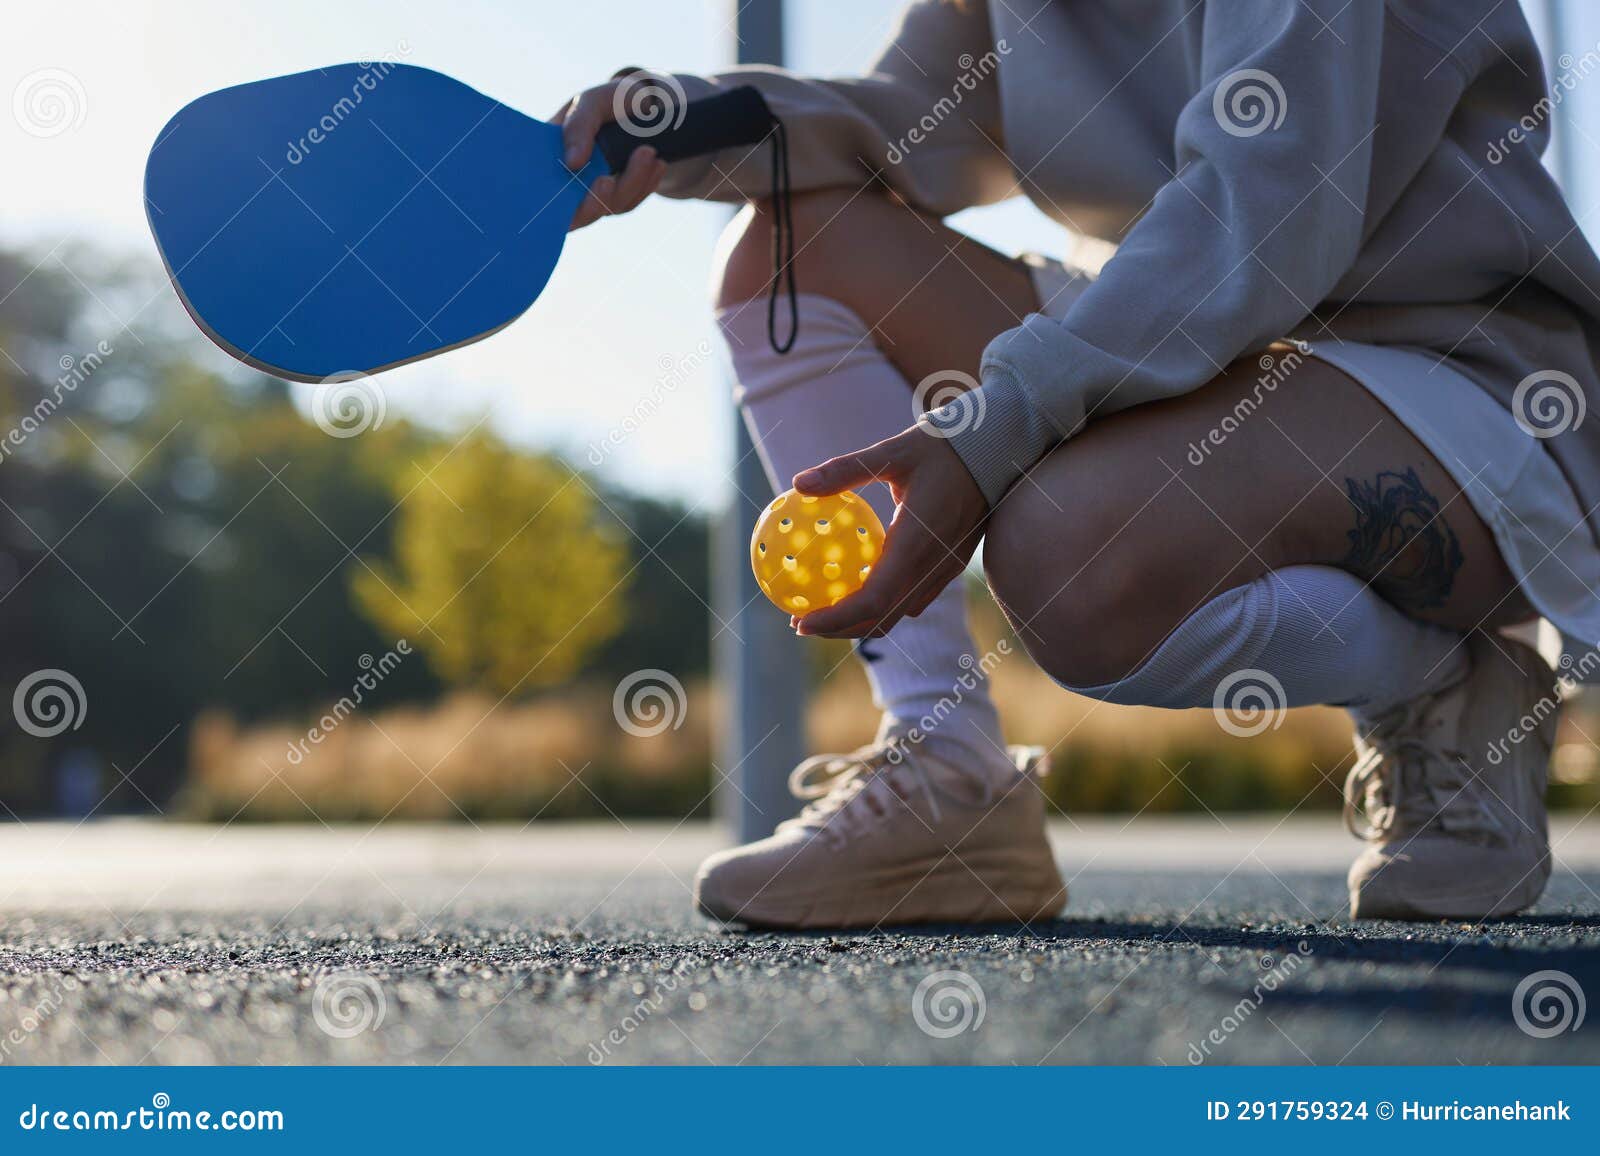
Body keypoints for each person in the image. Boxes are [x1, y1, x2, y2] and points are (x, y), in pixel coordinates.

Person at [556, 0, 1600, 926]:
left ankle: (1449, 673)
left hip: (1460, 378)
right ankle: (946, 775)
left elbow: (1264, 215)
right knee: (792, 250)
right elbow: (905, 123)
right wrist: (690, 122)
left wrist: (995, 420)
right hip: (1202, 348)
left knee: (1066, 551)